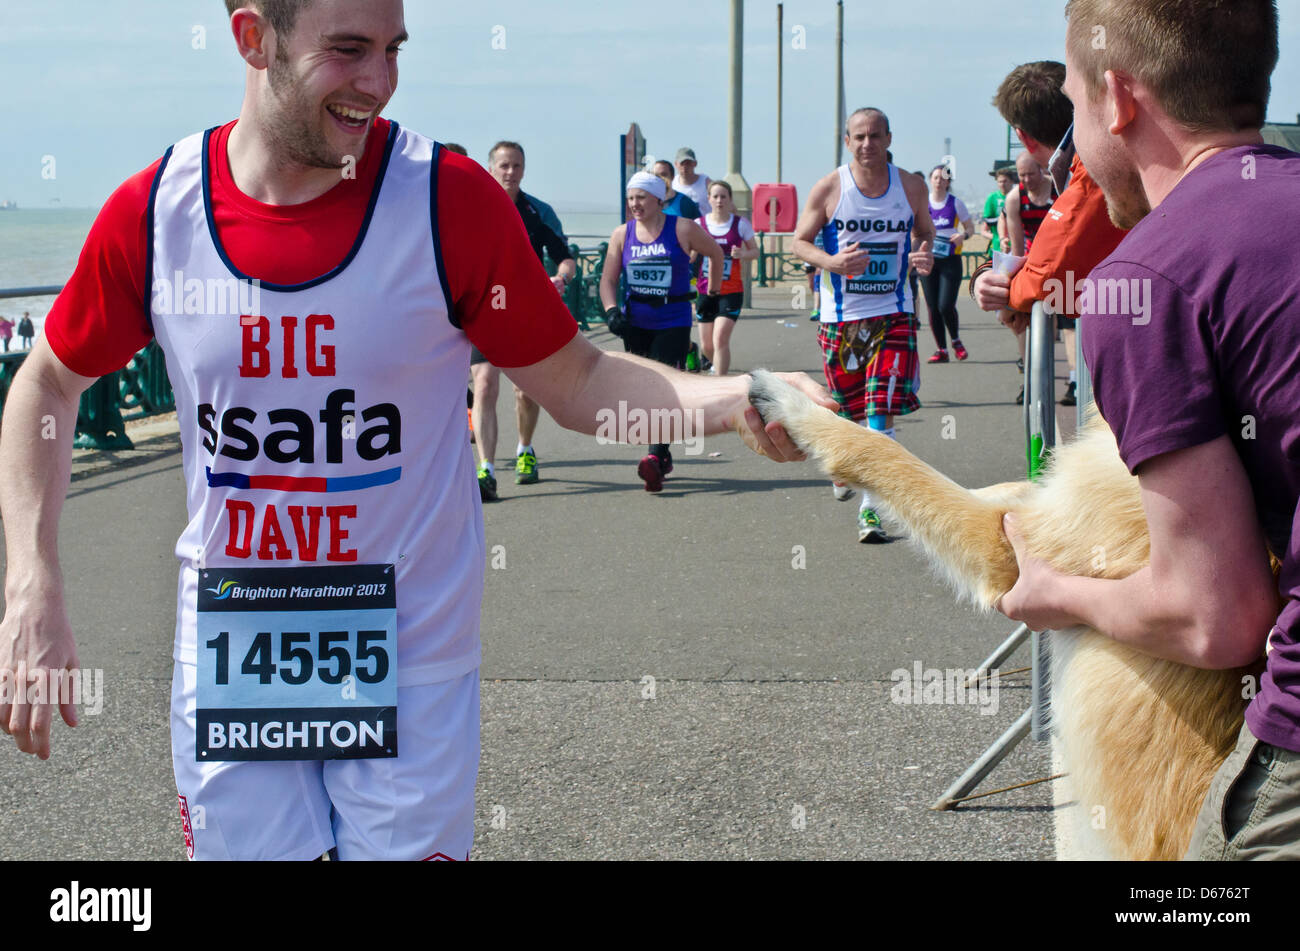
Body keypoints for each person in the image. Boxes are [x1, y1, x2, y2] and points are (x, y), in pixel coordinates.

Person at [0, 0, 830, 862]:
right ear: (254, 38)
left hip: (408, 658)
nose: (380, 83)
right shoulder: (160, 212)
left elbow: (580, 380)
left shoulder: (449, 202)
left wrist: (739, 396)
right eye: (349, 50)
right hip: (236, 653)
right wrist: (31, 582)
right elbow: (49, 385)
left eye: (394, 50)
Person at [997, 0, 1299, 862]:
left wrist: (1059, 595)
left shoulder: (1152, 277)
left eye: (1075, 105)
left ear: (1119, 100)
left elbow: (1217, 616)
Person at [792, 107, 935, 542]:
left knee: (879, 407)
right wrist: (831, 262)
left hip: (894, 311)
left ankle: (872, 508)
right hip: (841, 317)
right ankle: (845, 464)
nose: (867, 144)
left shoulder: (910, 186)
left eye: (875, 135)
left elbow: (925, 232)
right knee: (848, 411)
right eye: (859, 137)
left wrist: (923, 253)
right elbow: (800, 242)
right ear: (846, 141)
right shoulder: (831, 187)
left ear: (889, 138)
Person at [972, 60, 1127, 405]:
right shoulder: (1093, 159)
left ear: (1023, 137)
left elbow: (1047, 272)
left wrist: (1005, 290)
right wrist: (991, 279)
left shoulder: (1092, 171)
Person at [598, 171, 724, 492]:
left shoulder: (681, 227)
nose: (634, 204)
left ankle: (655, 456)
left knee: (661, 387)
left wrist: (712, 294)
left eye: (641, 197)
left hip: (674, 319)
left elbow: (716, 253)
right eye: (630, 198)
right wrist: (612, 311)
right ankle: (662, 455)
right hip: (636, 321)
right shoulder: (621, 234)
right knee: (642, 390)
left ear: (658, 199)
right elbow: (608, 279)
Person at [471, 140, 577, 500]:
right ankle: (485, 469)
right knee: (484, 385)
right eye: (503, 166)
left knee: (525, 392)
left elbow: (565, 257)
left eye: (516, 166)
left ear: (524, 170)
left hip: (524, 312)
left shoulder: (538, 212)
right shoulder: (474, 208)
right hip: (482, 311)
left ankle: (525, 450)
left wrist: (561, 277)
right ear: (490, 169)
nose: (510, 172)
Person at [1002, 150, 1056, 400]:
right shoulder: (1014, 198)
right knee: (1020, 319)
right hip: (1030, 260)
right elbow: (1017, 247)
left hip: (1058, 260)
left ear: (1041, 171)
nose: (1026, 180)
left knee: (1053, 322)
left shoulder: (1057, 190)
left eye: (1031, 174)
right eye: (1021, 175)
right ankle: (1028, 378)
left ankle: (1060, 377)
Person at [695, 180, 757, 376]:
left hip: (731, 291)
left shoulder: (740, 224)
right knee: (707, 345)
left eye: (724, 196)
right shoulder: (699, 224)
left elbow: (755, 251)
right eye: (715, 196)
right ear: (709, 199)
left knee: (720, 338)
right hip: (705, 289)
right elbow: (690, 254)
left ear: (730, 200)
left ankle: (720, 384)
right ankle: (716, 367)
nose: (719, 200)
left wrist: (742, 255)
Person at [920, 164, 973, 363]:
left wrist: (963, 236)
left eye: (943, 178)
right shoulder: (923, 204)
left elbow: (970, 227)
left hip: (951, 260)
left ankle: (956, 340)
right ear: (930, 180)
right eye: (935, 178)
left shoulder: (955, 203)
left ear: (948, 182)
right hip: (929, 261)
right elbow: (914, 229)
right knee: (932, 307)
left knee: (945, 305)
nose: (939, 181)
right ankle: (941, 349)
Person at [981, 166, 1016, 249]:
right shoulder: (992, 198)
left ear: (1011, 182)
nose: (1002, 184)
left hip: (1016, 245)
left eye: (1005, 181)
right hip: (997, 246)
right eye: (999, 182)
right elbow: (986, 222)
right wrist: (1002, 219)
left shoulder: (1017, 196)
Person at [672, 148, 711, 212]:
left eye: (688, 163)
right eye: (682, 163)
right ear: (676, 164)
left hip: (702, 221)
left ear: (695, 163)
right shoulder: (672, 184)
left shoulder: (706, 182)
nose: (685, 167)